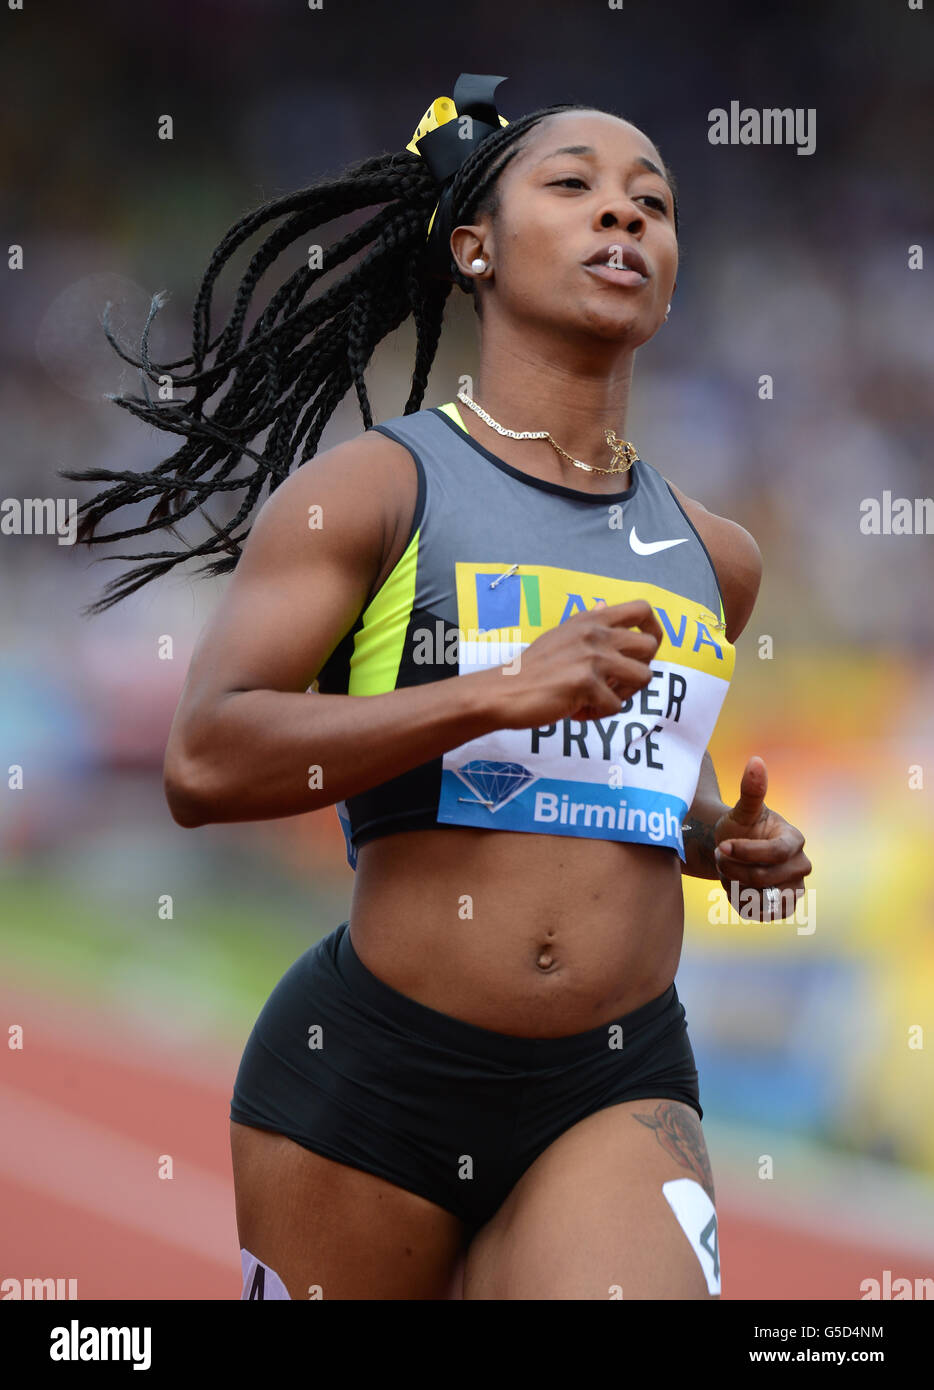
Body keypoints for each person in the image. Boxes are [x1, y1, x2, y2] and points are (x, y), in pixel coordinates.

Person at [64, 74, 811, 1300]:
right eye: (573, 189)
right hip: (371, 1083)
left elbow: (611, 789)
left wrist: (718, 837)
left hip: (614, 1078)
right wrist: (491, 693)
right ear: (475, 245)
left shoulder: (716, 555)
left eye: (652, 204)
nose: (621, 219)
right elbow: (205, 761)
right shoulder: (369, 491)